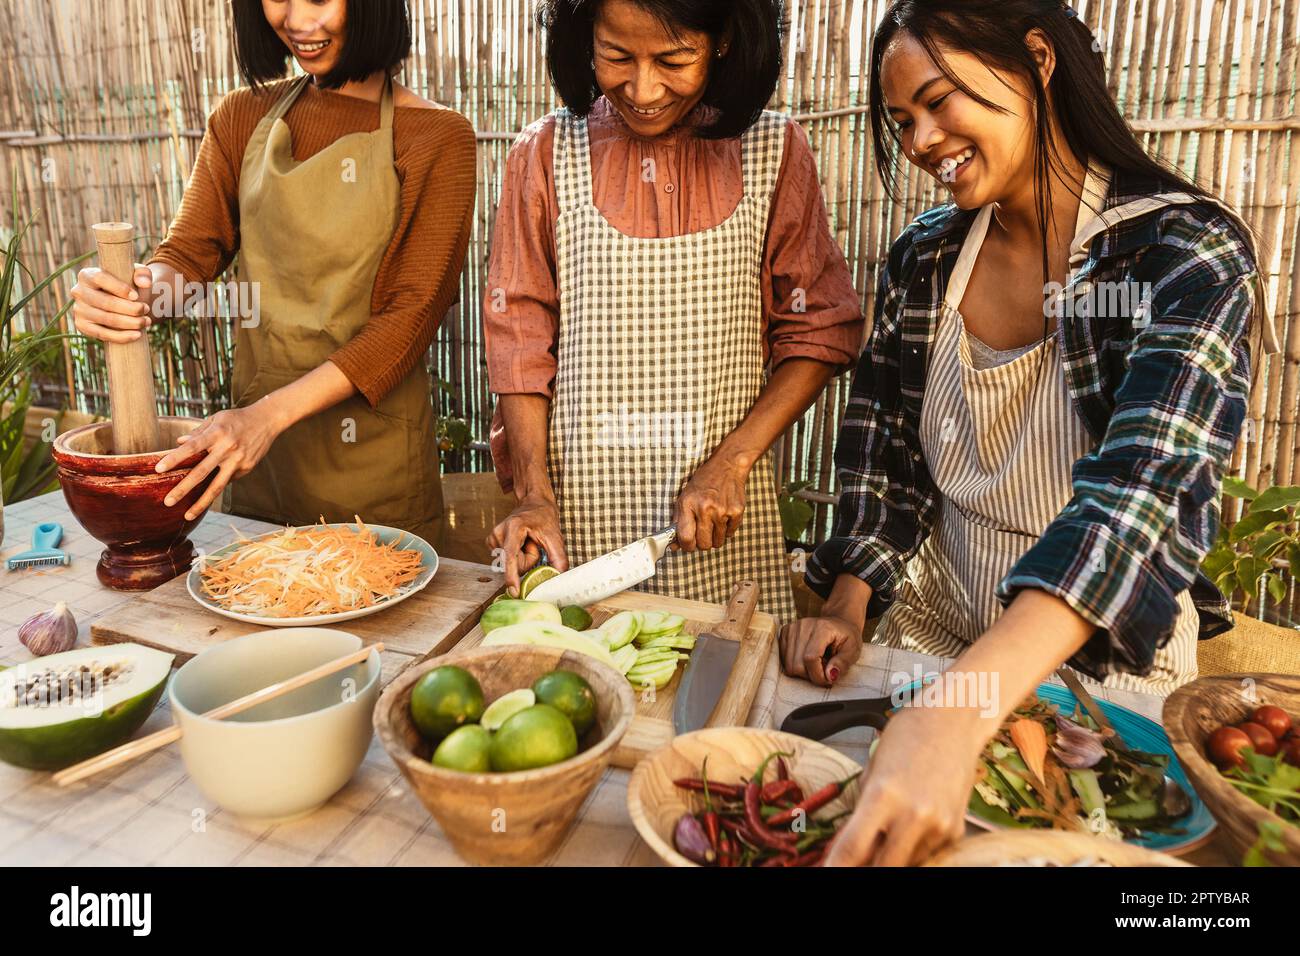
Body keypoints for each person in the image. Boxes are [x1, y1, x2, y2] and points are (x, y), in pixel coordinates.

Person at [778, 0, 1276, 865]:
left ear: (1037, 60)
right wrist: (852, 599)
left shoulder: (1180, 256)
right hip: (934, 625)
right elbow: (884, 451)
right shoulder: (924, 260)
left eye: (939, 101)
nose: (923, 139)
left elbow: (1140, 497)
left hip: (1102, 670)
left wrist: (962, 706)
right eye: (902, 122)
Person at [483, 0, 862, 619]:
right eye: (616, 55)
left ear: (722, 42)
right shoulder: (547, 154)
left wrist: (733, 462)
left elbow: (820, 331)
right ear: (585, 39)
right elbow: (518, 337)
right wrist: (533, 496)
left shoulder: (773, 152)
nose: (644, 87)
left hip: (722, 527)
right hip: (576, 526)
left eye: (673, 59)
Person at [69, 0, 476, 545]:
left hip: (374, 484)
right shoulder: (241, 118)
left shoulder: (435, 136)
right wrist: (139, 295)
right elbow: (189, 256)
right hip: (257, 471)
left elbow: (410, 318)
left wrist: (265, 418)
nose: (297, 21)